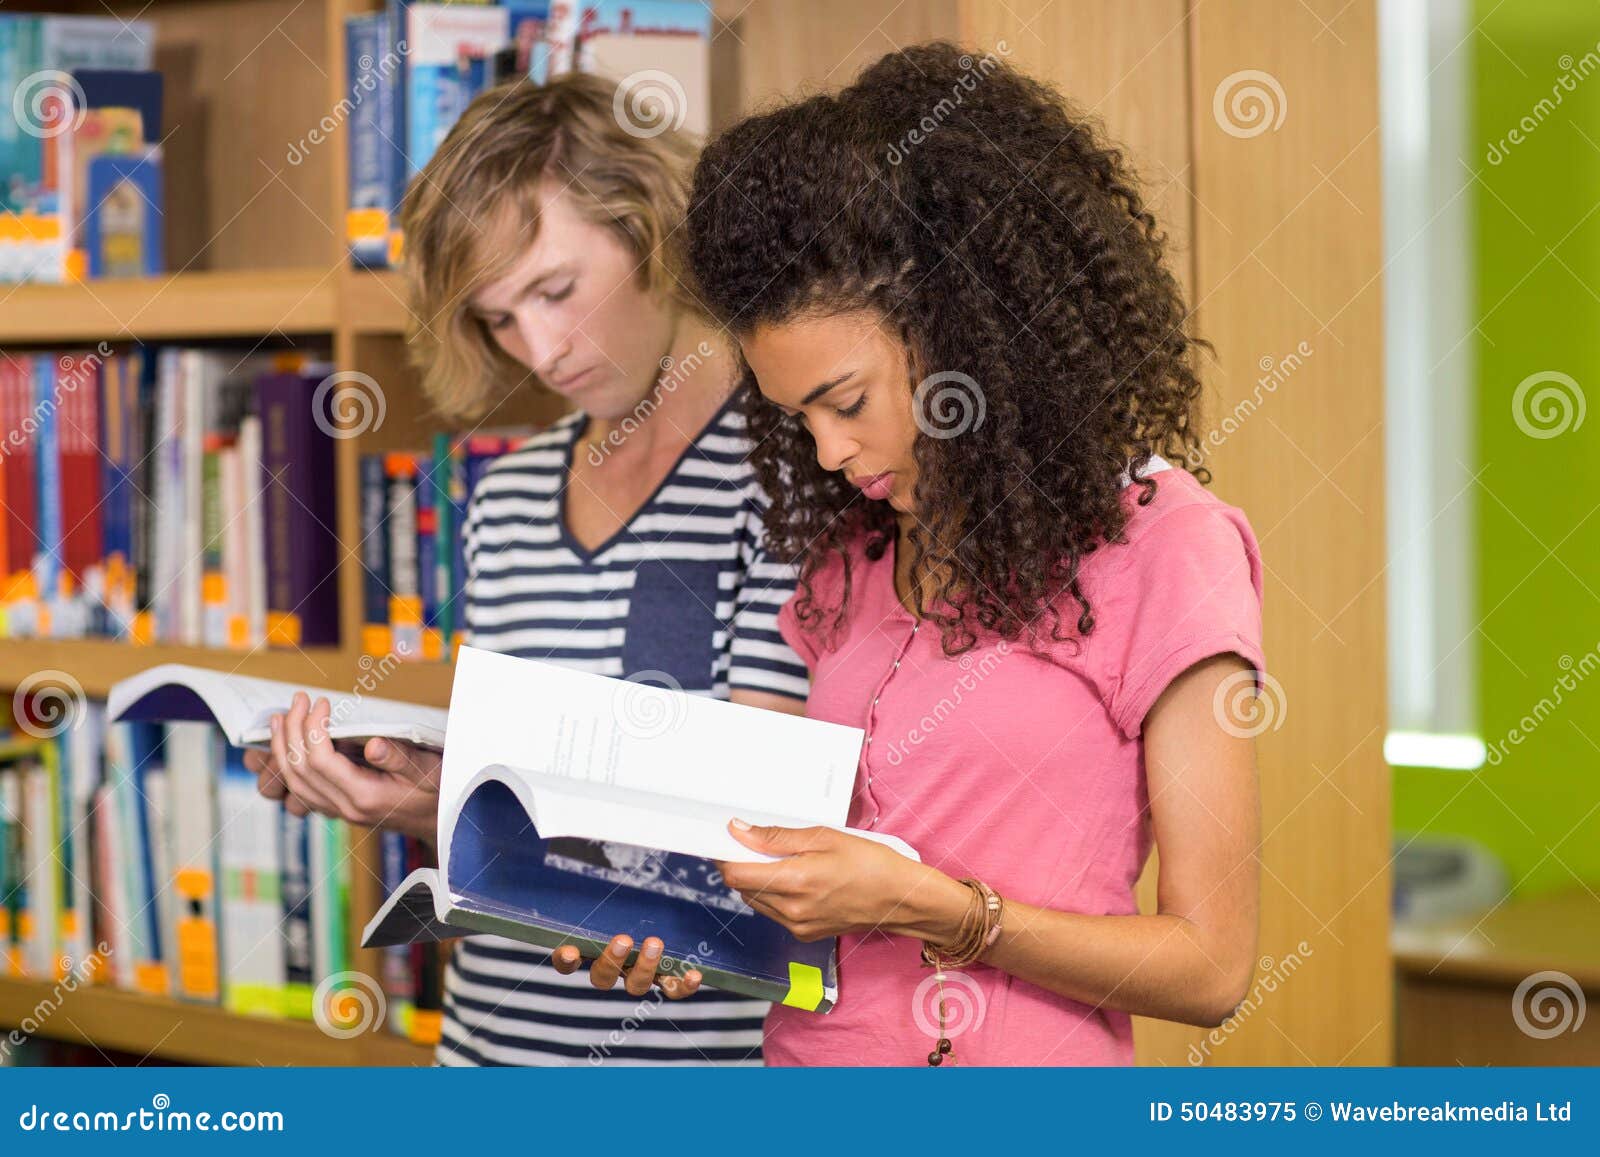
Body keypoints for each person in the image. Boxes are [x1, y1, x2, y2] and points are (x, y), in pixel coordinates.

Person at [583, 41, 1268, 1066]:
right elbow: (823, 908)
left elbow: (1211, 969)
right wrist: (691, 929)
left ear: (969, 331)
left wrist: (944, 910)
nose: (827, 450)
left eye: (847, 401)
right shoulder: (844, 568)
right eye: (794, 417)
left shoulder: (1167, 545)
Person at [241, 72, 810, 1066]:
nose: (540, 348)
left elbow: (762, 825)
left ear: (650, 229)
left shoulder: (792, 468)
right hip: (486, 1053)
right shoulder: (503, 499)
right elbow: (516, 799)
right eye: (499, 317)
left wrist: (441, 800)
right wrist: (407, 785)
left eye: (555, 289)